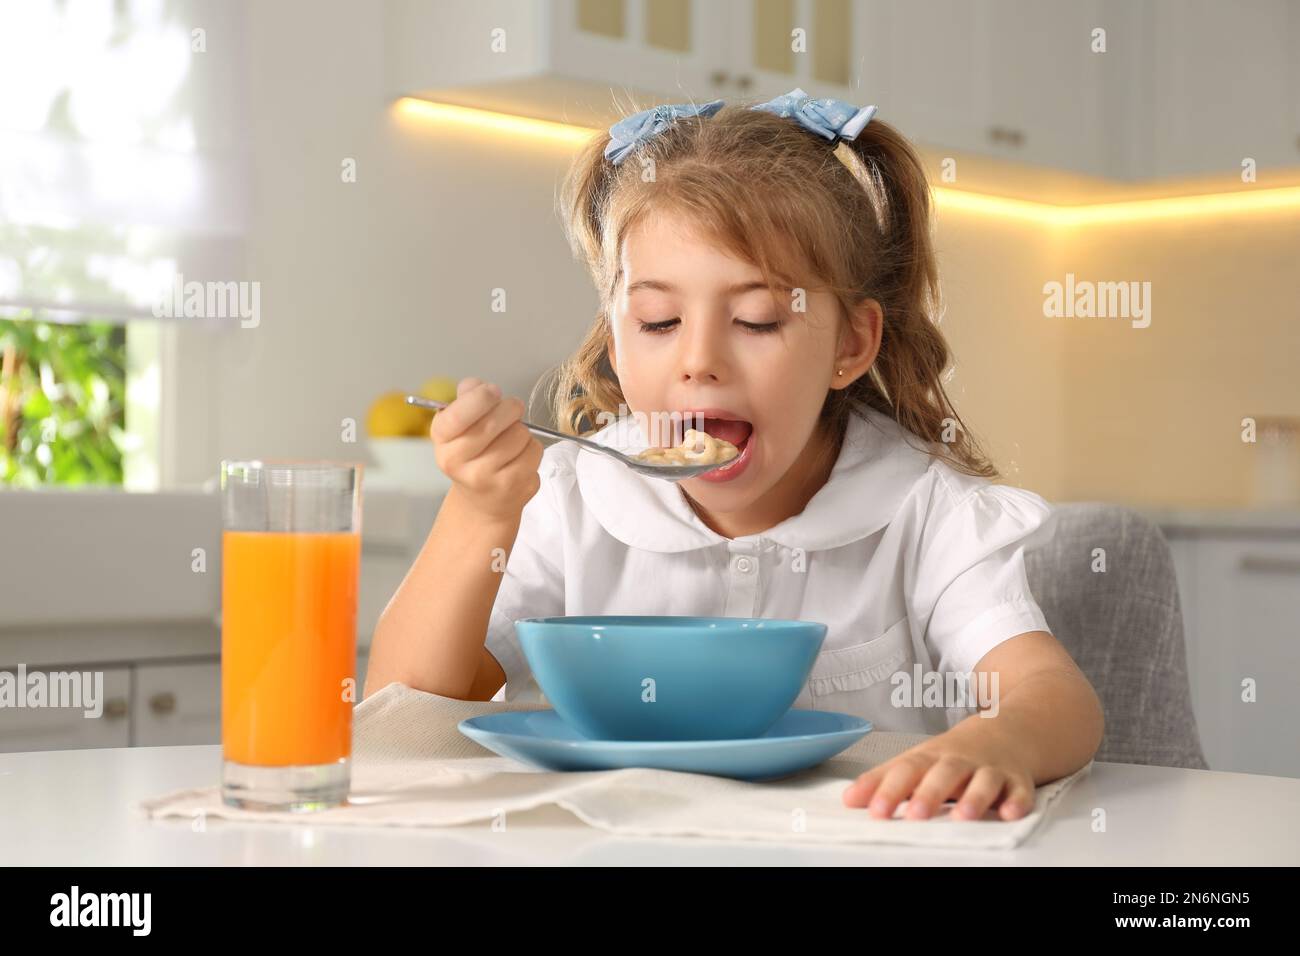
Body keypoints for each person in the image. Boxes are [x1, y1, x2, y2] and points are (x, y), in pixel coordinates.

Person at [367, 89, 1104, 822]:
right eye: (658, 322)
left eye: (756, 319)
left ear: (850, 344)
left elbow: (1052, 697)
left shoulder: (926, 511)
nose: (700, 361)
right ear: (615, 340)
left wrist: (1000, 742)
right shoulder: (569, 497)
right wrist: (478, 513)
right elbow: (403, 716)